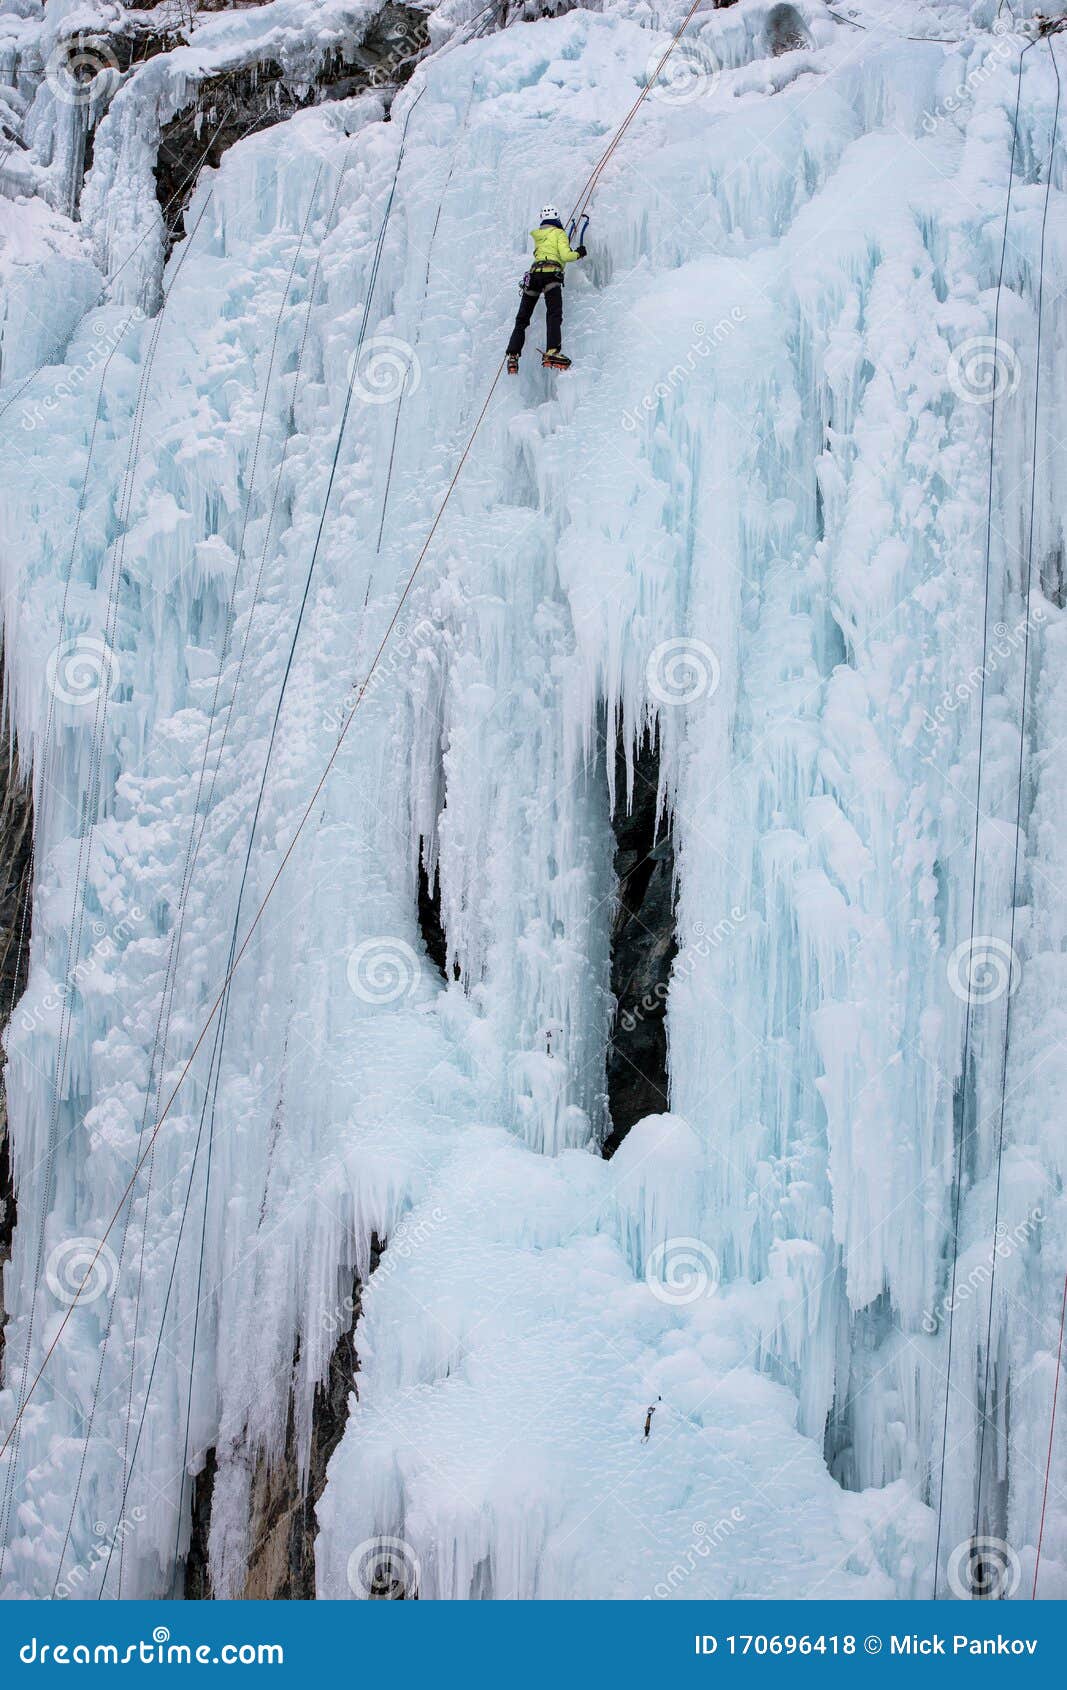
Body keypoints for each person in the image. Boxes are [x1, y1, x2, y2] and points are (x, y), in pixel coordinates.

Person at [506, 204, 587, 373]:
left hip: (533, 276)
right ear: (556, 218)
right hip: (551, 276)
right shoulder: (559, 233)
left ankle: (513, 355)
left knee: (522, 319)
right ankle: (552, 352)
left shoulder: (539, 236)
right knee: (554, 314)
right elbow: (565, 256)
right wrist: (579, 253)